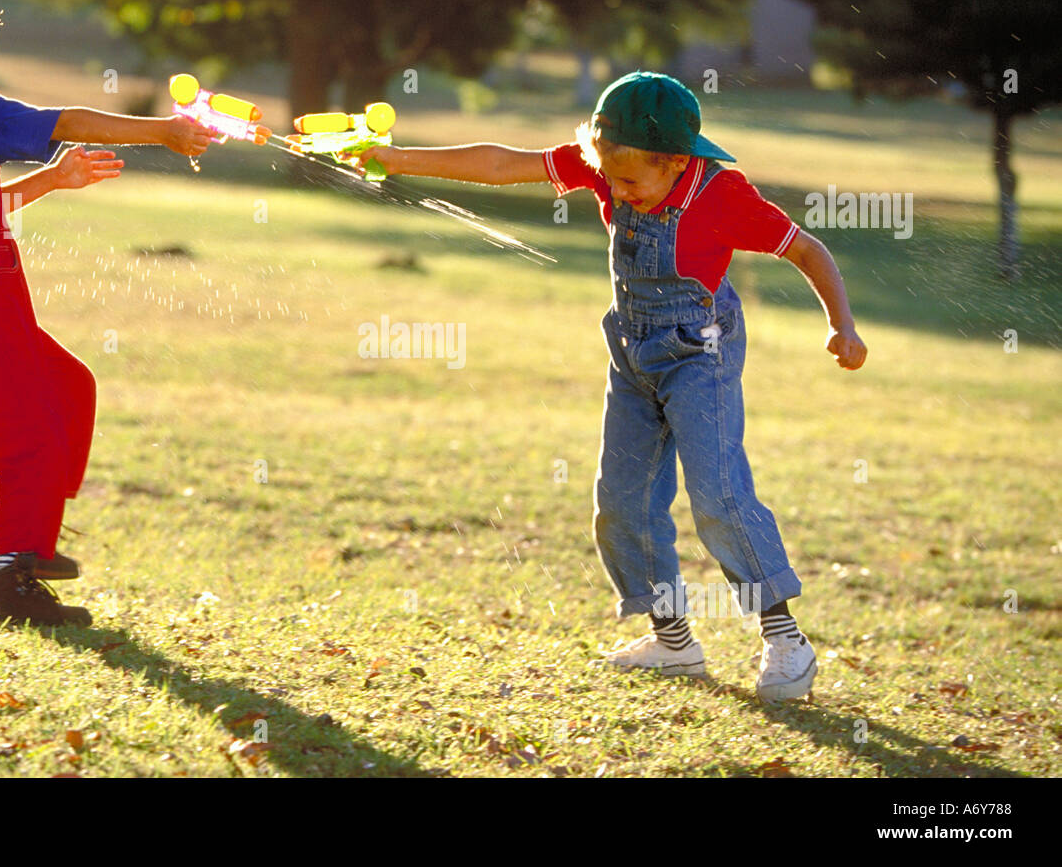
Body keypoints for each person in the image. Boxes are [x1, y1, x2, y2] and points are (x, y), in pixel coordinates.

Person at [358, 71, 866, 701]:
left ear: (677, 162)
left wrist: (841, 325)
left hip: (699, 353)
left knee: (717, 493)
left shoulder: (723, 196)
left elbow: (807, 249)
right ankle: (673, 640)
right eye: (609, 177)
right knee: (621, 500)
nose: (617, 191)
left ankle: (785, 640)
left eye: (629, 182)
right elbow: (499, 164)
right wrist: (397, 157)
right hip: (631, 349)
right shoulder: (609, 162)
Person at [0, 0, 213, 627]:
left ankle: (13, 531)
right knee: (28, 423)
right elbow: (64, 121)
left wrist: (51, 182)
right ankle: (10, 578)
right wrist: (165, 133)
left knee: (68, 389)